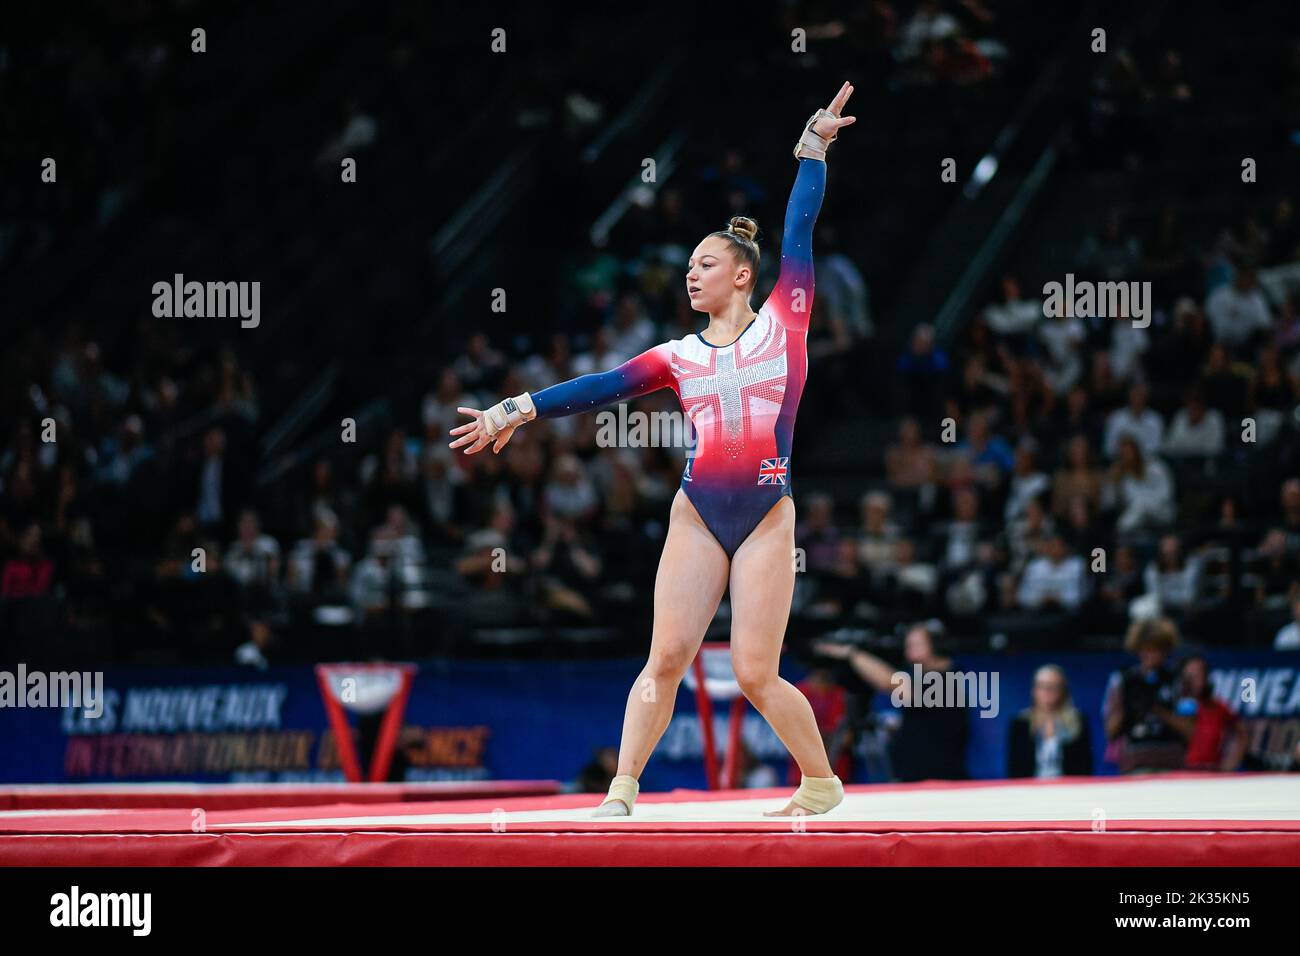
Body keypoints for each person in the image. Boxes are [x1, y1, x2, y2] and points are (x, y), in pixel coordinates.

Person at [451, 83, 858, 817]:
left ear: (742, 275)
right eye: (688, 266)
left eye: (705, 264)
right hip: (697, 513)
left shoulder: (787, 320)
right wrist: (516, 408)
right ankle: (621, 791)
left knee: (756, 671)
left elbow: (799, 229)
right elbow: (600, 387)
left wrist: (814, 147)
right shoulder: (677, 355)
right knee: (666, 657)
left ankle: (821, 782)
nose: (690, 274)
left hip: (766, 517)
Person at [812, 623, 970, 782]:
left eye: (915, 644)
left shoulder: (947, 680)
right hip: (917, 778)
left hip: (939, 779)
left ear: (937, 645)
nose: (908, 649)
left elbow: (890, 683)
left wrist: (852, 654)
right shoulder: (924, 679)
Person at [1103, 618, 1185, 772]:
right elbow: (1111, 732)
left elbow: (1190, 730)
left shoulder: (1178, 681)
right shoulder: (1123, 680)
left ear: (1166, 650)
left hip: (1171, 761)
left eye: (1156, 649)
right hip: (1135, 762)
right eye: (1146, 649)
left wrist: (1157, 708)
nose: (1150, 655)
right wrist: (1129, 705)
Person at [1151, 656, 1248, 772]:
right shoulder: (1175, 706)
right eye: (1189, 676)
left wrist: (1229, 765)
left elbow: (1241, 732)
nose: (1192, 681)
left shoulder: (1217, 707)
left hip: (1212, 770)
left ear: (1207, 678)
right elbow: (1187, 733)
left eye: (1197, 675)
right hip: (1183, 771)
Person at [1007, 664, 1093, 777]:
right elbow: (1014, 770)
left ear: (1062, 691)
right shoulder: (1020, 723)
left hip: (1068, 786)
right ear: (1033, 690)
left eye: (1052, 687)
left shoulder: (1077, 721)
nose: (1047, 692)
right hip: (1030, 786)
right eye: (1041, 686)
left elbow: (1085, 767)